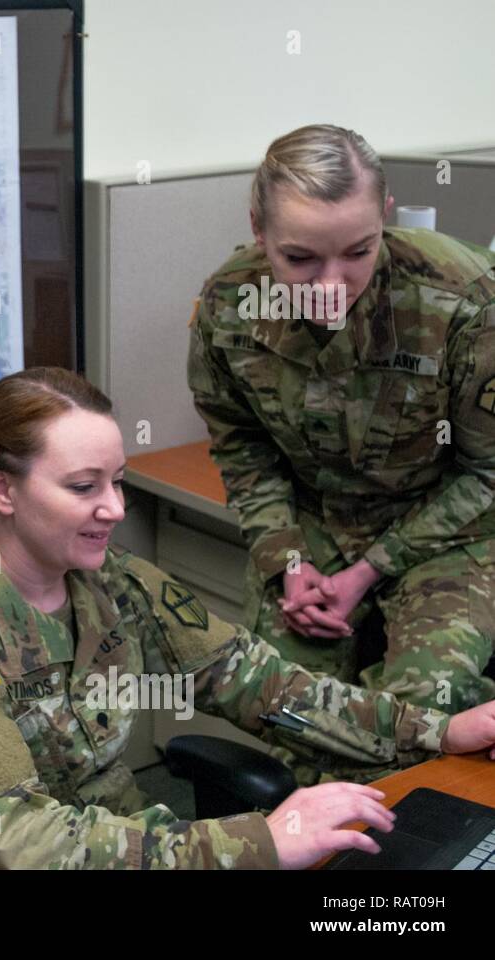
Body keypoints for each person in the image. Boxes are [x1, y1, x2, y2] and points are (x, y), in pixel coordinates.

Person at [0, 367, 495, 869]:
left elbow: (262, 685)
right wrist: (252, 844)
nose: (114, 508)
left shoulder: (113, 585)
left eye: (118, 482)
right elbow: (15, 840)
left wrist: (438, 731)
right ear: (4, 490)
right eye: (83, 487)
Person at [188, 124, 495, 735]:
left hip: (449, 529)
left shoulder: (465, 301)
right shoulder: (231, 303)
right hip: (314, 522)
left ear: (384, 215)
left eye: (359, 251)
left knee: (424, 707)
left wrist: (371, 568)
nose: (331, 284)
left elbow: (488, 474)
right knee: (285, 706)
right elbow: (242, 446)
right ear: (259, 229)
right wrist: (286, 560)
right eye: (299, 258)